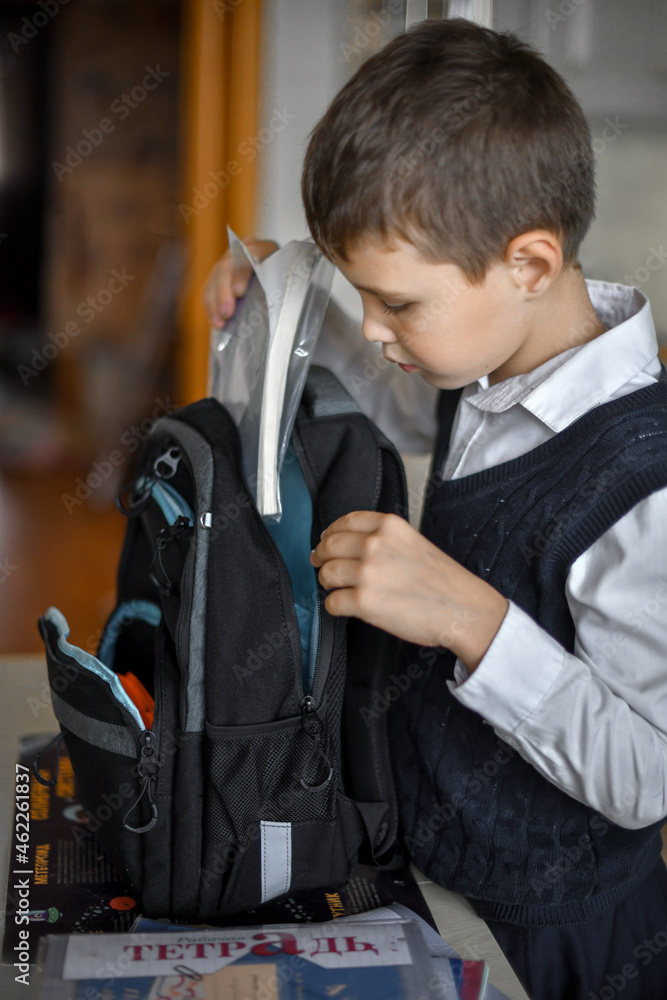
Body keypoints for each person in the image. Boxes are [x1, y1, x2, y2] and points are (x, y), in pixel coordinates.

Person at [203, 20, 667, 1000]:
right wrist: (288, 299)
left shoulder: (643, 483)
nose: (376, 330)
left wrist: (467, 617)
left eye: (398, 304)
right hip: (441, 875)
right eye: (362, 297)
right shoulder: (491, 357)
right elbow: (401, 392)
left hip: (560, 933)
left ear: (528, 264)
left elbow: (644, 776)